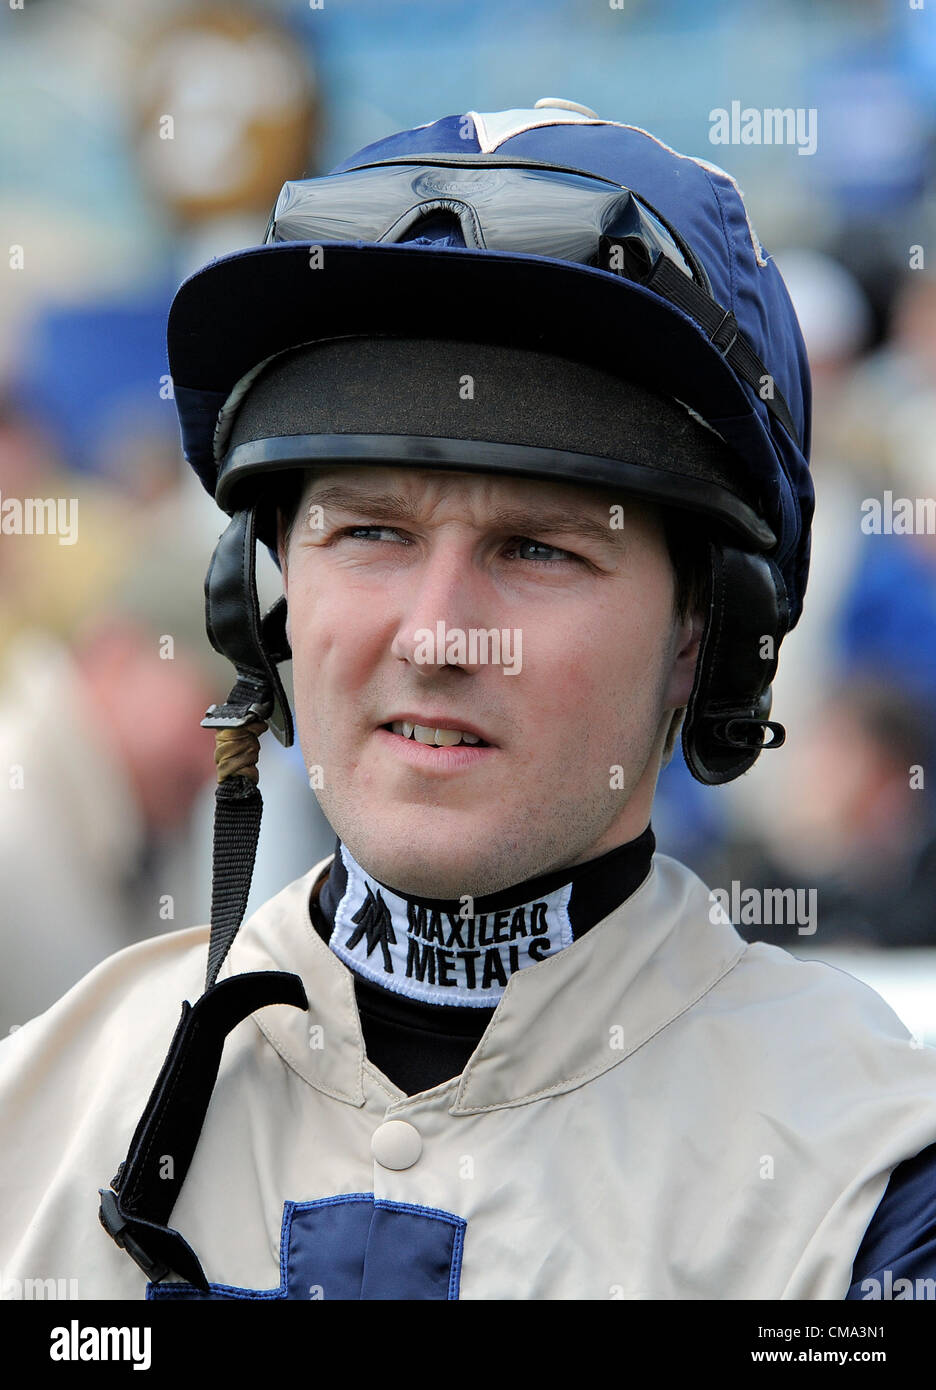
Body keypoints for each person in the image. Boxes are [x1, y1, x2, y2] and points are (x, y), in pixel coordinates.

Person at [2, 101, 936, 1303]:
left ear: (710, 632)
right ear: (262, 597)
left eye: (540, 548)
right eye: (371, 531)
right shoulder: (39, 1118)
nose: (437, 634)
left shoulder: (872, 1194)